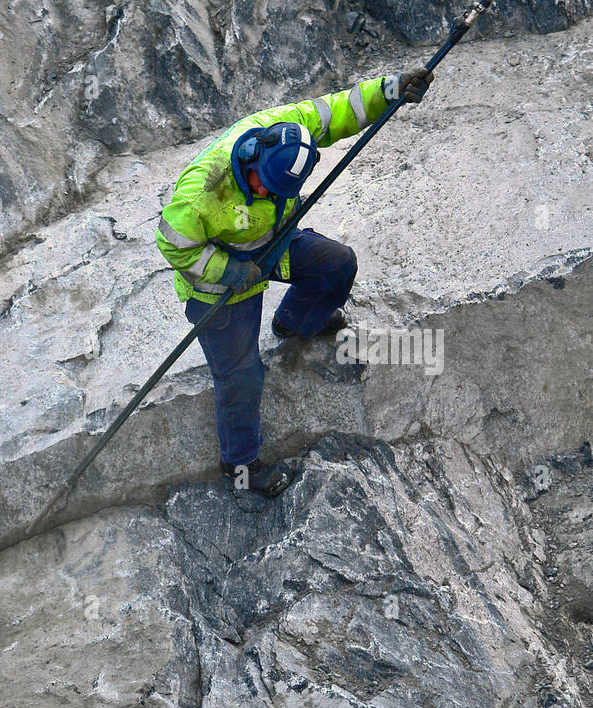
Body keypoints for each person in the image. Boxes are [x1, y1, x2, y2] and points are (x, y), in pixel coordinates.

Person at [156, 68, 435, 498]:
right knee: (242, 377)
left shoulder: (291, 130)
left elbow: (342, 108)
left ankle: (294, 323)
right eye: (262, 187)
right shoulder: (204, 188)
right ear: (250, 159)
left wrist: (390, 90)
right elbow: (174, 246)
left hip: (270, 247)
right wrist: (230, 272)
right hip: (219, 280)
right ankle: (240, 465)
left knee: (337, 265)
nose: (267, 195)